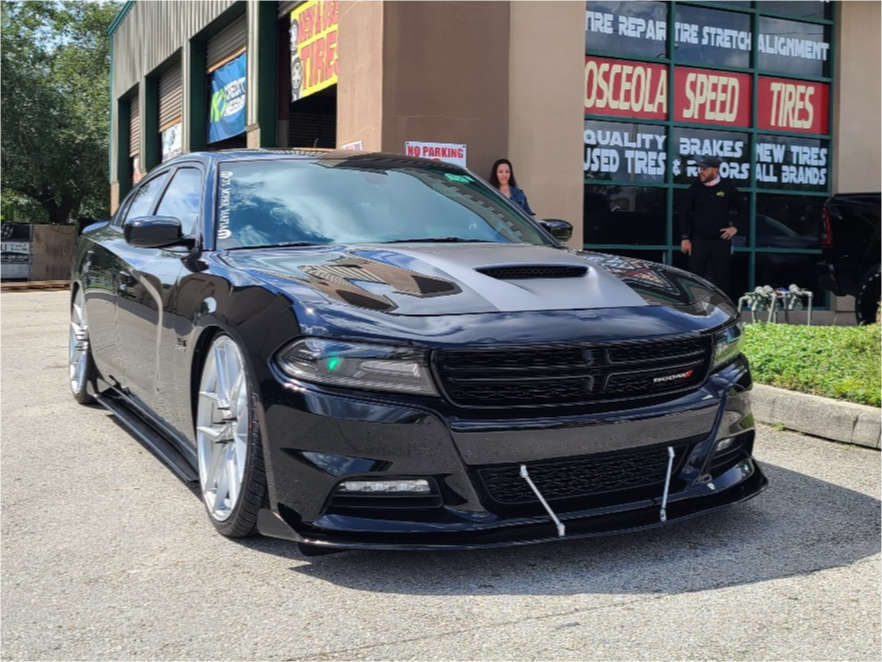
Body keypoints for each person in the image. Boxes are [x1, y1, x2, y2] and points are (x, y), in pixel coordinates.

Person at [679, 156, 743, 297]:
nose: (701, 172)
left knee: (722, 277)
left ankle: (723, 310)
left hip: (721, 240)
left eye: (704, 169)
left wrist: (736, 227)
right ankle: (696, 309)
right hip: (698, 240)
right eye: (700, 168)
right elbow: (684, 214)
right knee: (695, 277)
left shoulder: (728, 187)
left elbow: (744, 210)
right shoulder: (694, 188)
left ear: (715, 170)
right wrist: (685, 238)